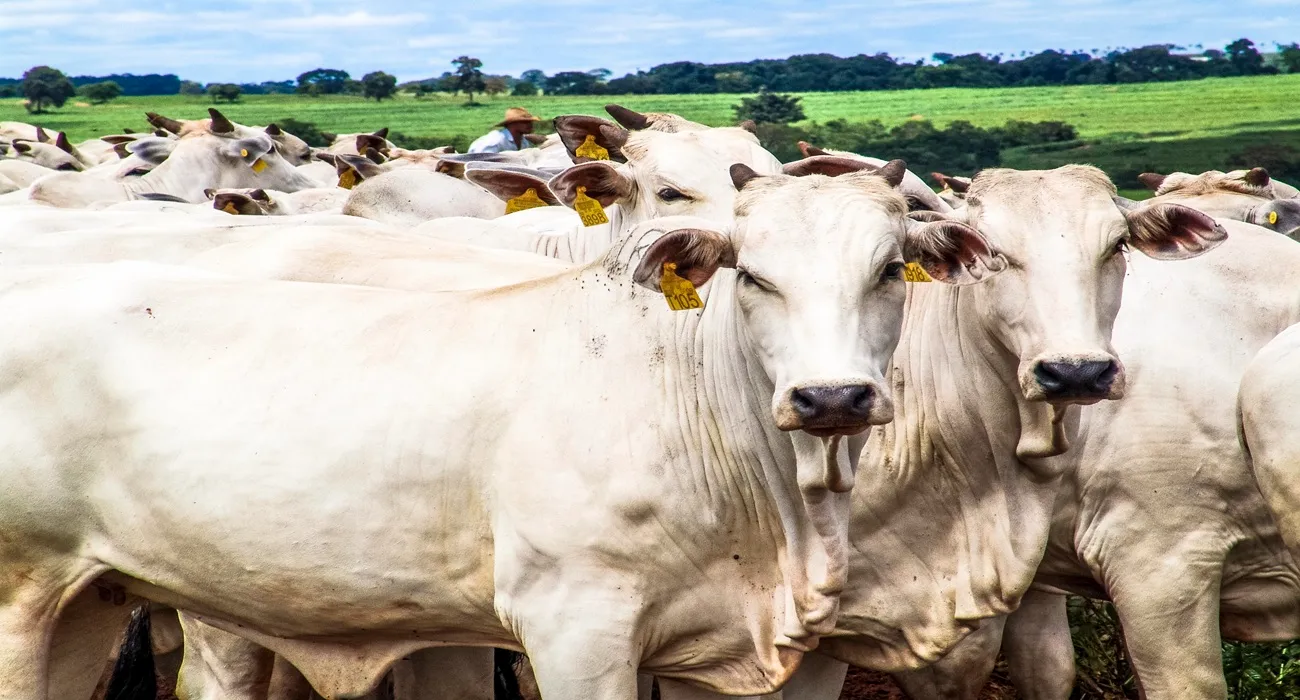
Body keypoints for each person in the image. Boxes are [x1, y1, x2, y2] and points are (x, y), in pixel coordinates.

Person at [468, 107, 542, 153]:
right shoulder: (496, 141)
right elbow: (480, 164)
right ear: (512, 124)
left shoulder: (524, 142)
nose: (530, 125)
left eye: (530, 122)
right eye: (524, 122)